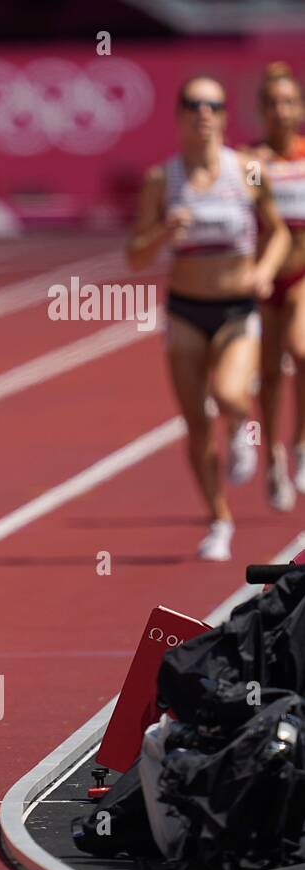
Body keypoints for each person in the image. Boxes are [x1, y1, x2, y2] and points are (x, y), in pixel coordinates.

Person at [127, 76, 289, 561]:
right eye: (194, 104)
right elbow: (135, 255)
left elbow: (277, 232)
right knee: (196, 424)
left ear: (224, 115)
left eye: (214, 105)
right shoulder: (163, 179)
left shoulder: (250, 170)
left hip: (237, 307)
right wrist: (161, 231)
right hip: (185, 310)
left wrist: (264, 271)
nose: (204, 113)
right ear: (179, 115)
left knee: (230, 394)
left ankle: (241, 427)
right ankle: (219, 519)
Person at [246, 62, 305, 511]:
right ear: (262, 110)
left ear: (299, 107)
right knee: (268, 375)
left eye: (288, 102)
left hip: (303, 276)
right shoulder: (252, 162)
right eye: (272, 103)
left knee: (301, 352)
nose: (281, 110)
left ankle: (301, 442)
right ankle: (273, 460)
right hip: (267, 281)